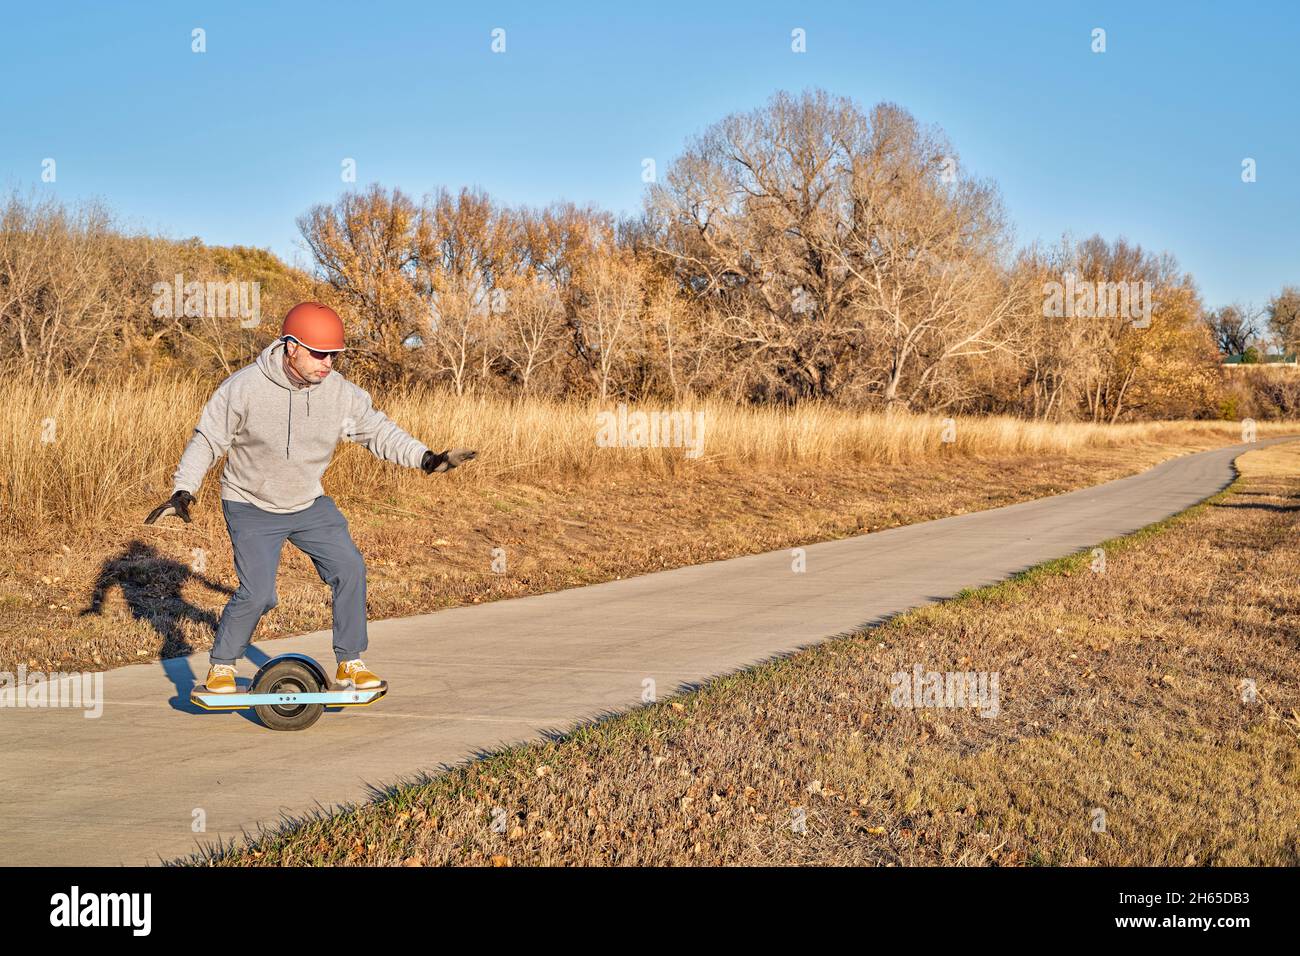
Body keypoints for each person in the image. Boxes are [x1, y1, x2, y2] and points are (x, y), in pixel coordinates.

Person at [144, 301, 476, 693]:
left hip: (307, 501)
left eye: (334, 354)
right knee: (259, 594)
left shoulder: (340, 394)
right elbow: (208, 439)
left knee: (349, 568)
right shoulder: (244, 388)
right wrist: (184, 489)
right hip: (250, 503)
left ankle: (350, 663)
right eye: (319, 353)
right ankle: (222, 666)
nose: (328, 362)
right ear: (291, 347)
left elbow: (378, 432)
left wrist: (425, 458)